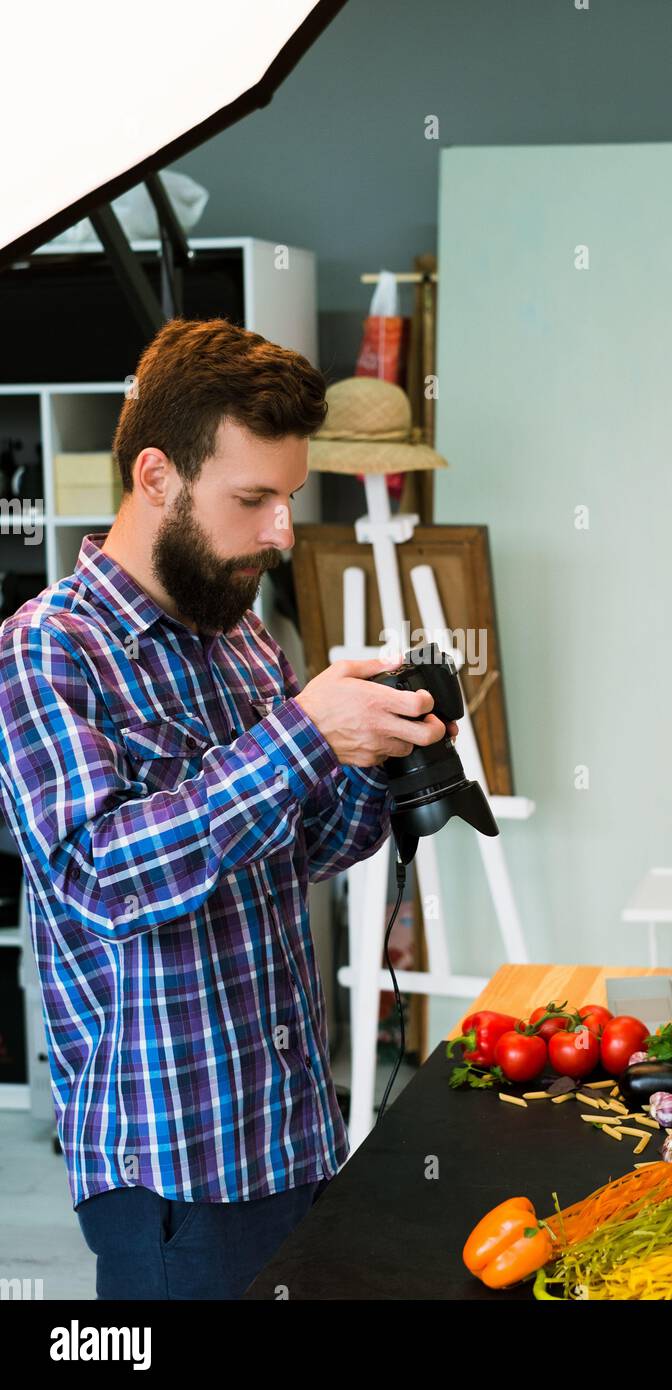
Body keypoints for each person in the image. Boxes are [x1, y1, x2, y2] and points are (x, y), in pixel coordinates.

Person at [0, 316, 457, 1299]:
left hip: (292, 1132)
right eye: (252, 500)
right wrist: (301, 734)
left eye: (286, 499)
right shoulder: (48, 651)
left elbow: (299, 851)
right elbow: (100, 874)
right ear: (157, 475)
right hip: (175, 1178)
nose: (281, 532)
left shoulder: (240, 635)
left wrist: (369, 753)